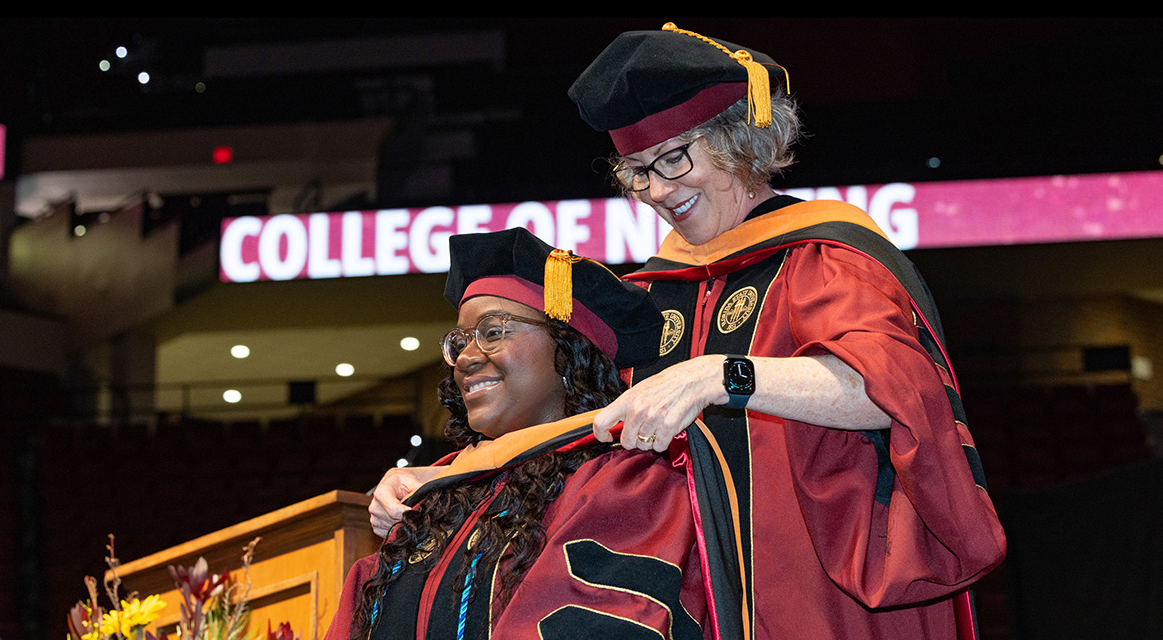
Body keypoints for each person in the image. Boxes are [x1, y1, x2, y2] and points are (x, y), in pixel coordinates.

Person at [373, 22, 1006, 640]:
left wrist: (719, 376)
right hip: (689, 607)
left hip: (822, 596)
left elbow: (893, 391)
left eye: (674, 159)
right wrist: (446, 478)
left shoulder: (821, 255)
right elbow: (577, 434)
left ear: (740, 140)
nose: (657, 190)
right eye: (637, 171)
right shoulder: (652, 297)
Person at [325, 227, 710, 640]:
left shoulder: (628, 483)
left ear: (568, 351)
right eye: (459, 342)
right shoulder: (442, 501)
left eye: (493, 332)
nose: (466, 358)